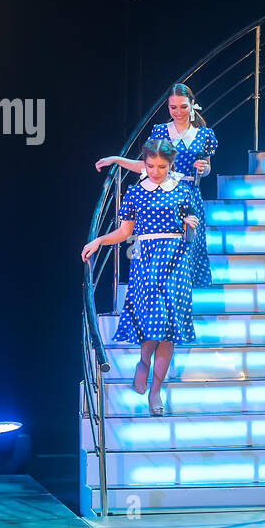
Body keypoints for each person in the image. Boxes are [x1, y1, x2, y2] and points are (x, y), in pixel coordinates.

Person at [82, 138, 201, 415]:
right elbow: (124, 232)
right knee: (151, 323)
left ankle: (156, 391)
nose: (156, 170)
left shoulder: (183, 191)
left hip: (176, 260)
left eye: (161, 166)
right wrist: (98, 241)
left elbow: (191, 237)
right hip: (146, 259)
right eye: (150, 165)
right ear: (144, 164)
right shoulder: (135, 193)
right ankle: (143, 362)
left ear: (170, 165)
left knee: (168, 329)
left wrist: (189, 226)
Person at [96, 83, 216, 286]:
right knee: (168, 252)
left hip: (189, 197)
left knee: (192, 247)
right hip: (163, 196)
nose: (178, 112)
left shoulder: (204, 134)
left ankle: (186, 297)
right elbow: (148, 165)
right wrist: (118, 160)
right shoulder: (161, 131)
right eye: (173, 107)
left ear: (192, 105)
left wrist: (203, 169)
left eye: (183, 107)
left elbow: (208, 168)